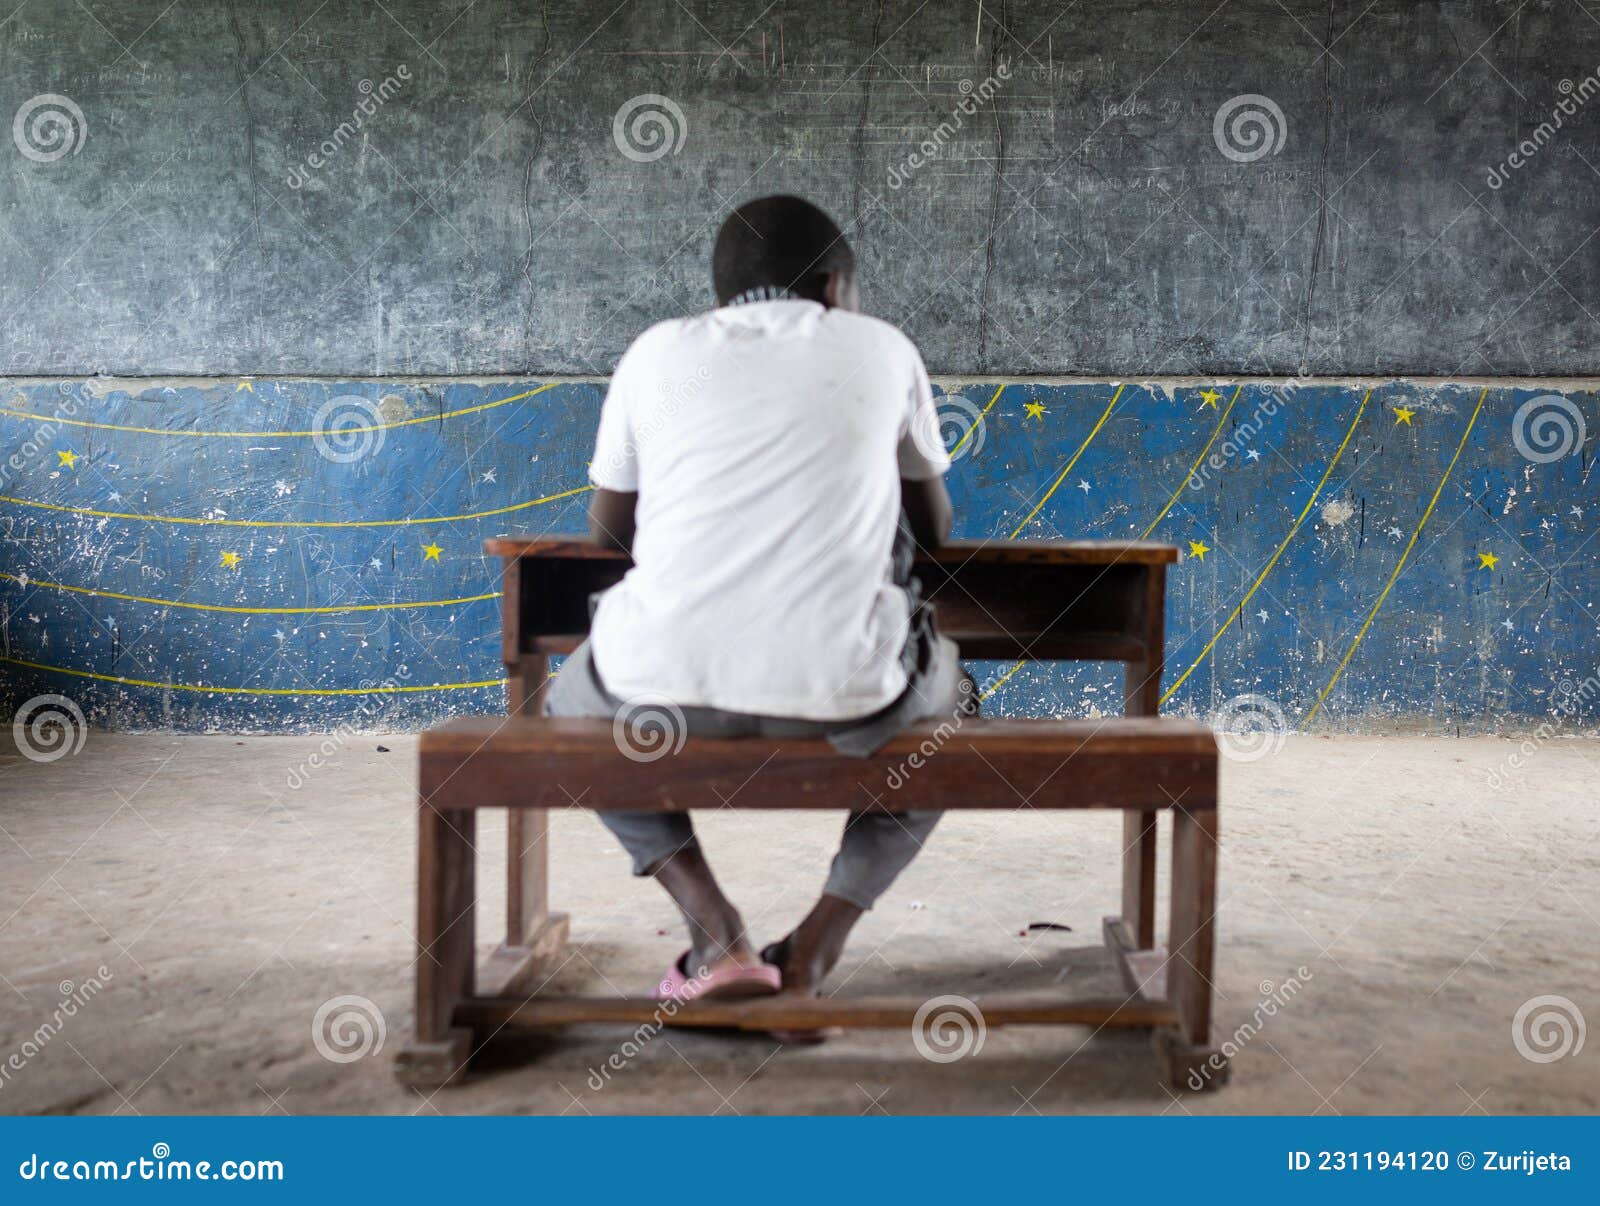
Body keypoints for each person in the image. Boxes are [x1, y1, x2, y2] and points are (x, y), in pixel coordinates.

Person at [545, 194, 975, 1025]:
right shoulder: (882, 347)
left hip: (657, 690)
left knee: (567, 709)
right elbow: (935, 529)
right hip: (846, 694)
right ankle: (814, 950)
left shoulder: (656, 352)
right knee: (951, 718)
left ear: (721, 295)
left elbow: (606, 532)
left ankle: (716, 937)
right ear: (836, 286)